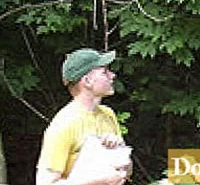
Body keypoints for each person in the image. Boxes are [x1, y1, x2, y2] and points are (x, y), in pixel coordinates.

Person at [36, 48, 132, 185]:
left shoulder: (108, 114)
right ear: (87, 81)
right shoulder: (64, 124)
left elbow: (127, 171)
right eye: (105, 72)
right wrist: (99, 181)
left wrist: (118, 150)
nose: (112, 75)